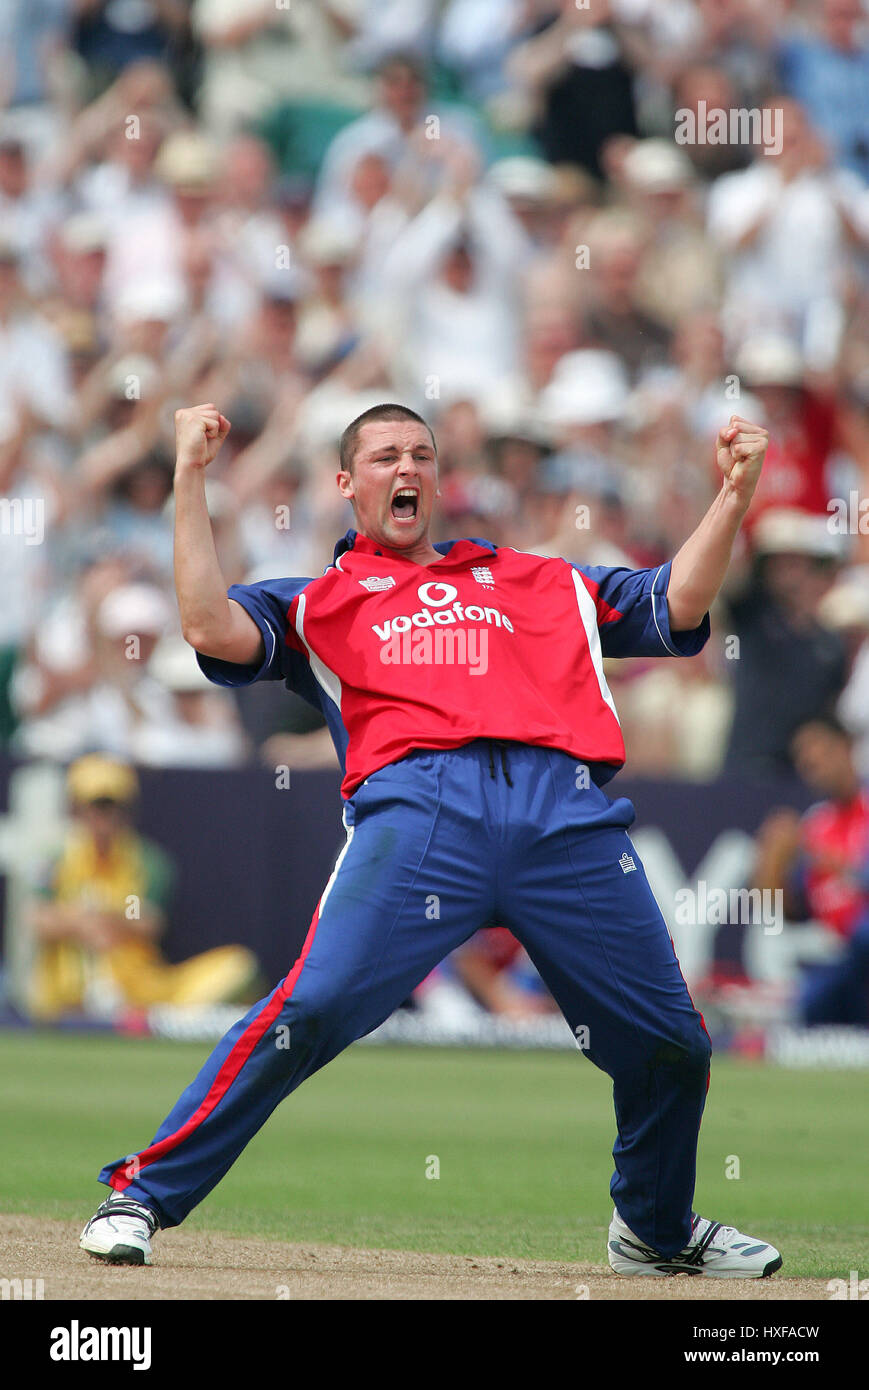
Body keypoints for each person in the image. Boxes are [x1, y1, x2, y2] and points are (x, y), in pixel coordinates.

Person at [80, 400, 783, 1278]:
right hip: (418, 817)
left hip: (562, 815)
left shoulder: (542, 580)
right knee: (309, 1012)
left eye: (420, 454)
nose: (404, 469)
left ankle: (653, 1228)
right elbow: (207, 626)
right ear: (345, 483)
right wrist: (189, 476)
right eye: (382, 457)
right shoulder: (322, 600)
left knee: (672, 1042)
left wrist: (733, 493)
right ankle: (140, 1193)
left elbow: (677, 600)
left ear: (439, 478)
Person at [29, 753, 259, 1019]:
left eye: (113, 806)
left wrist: (107, 921)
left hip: (139, 989)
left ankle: (172, 1017)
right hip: (67, 994)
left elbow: (146, 920)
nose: (104, 817)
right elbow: (39, 918)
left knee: (237, 965)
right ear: (77, 808)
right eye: (96, 805)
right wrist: (81, 923)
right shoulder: (55, 859)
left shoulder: (145, 861)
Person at [753, 716, 869, 1027]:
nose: (811, 763)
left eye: (819, 751)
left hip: (861, 945)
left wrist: (824, 858)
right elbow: (791, 913)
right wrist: (770, 867)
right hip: (838, 958)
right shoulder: (816, 823)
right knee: (808, 1003)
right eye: (804, 760)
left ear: (845, 746)